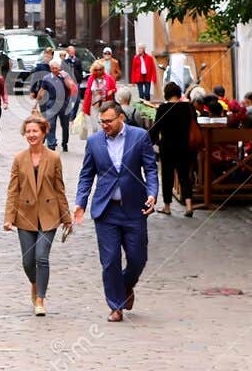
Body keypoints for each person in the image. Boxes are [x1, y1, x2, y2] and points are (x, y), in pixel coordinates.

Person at [74, 100, 159, 322]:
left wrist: (152, 193)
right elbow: (86, 175)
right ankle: (115, 305)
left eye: (109, 121)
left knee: (138, 258)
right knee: (110, 260)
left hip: (134, 208)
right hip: (106, 210)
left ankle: (125, 285)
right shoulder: (94, 142)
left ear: (121, 118)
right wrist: (80, 202)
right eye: (101, 122)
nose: (105, 125)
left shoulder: (139, 137)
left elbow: (150, 168)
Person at [2, 114, 71, 317]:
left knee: (42, 257)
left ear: (43, 133)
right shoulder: (19, 159)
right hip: (26, 215)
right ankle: (35, 282)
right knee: (28, 262)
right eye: (29, 131)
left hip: (49, 215)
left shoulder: (54, 158)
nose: (31, 135)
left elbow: (60, 189)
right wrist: (9, 217)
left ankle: (40, 299)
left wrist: (66, 217)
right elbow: (13, 190)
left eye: (35, 131)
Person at [154, 82, 198, 217]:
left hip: (167, 147)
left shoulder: (162, 108)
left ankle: (167, 206)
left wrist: (153, 142)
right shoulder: (188, 107)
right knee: (185, 175)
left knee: (167, 176)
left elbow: (156, 129)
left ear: (166, 94)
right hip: (184, 146)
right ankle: (189, 205)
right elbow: (195, 124)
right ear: (178, 93)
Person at [31, 56, 78, 151]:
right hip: (51, 103)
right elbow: (42, 90)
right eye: (53, 68)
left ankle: (65, 143)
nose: (55, 70)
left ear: (59, 68)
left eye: (57, 68)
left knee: (65, 126)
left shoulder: (65, 76)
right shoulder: (46, 78)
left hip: (64, 104)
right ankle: (51, 145)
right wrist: (35, 103)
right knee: (50, 124)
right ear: (50, 69)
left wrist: (65, 77)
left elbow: (70, 87)